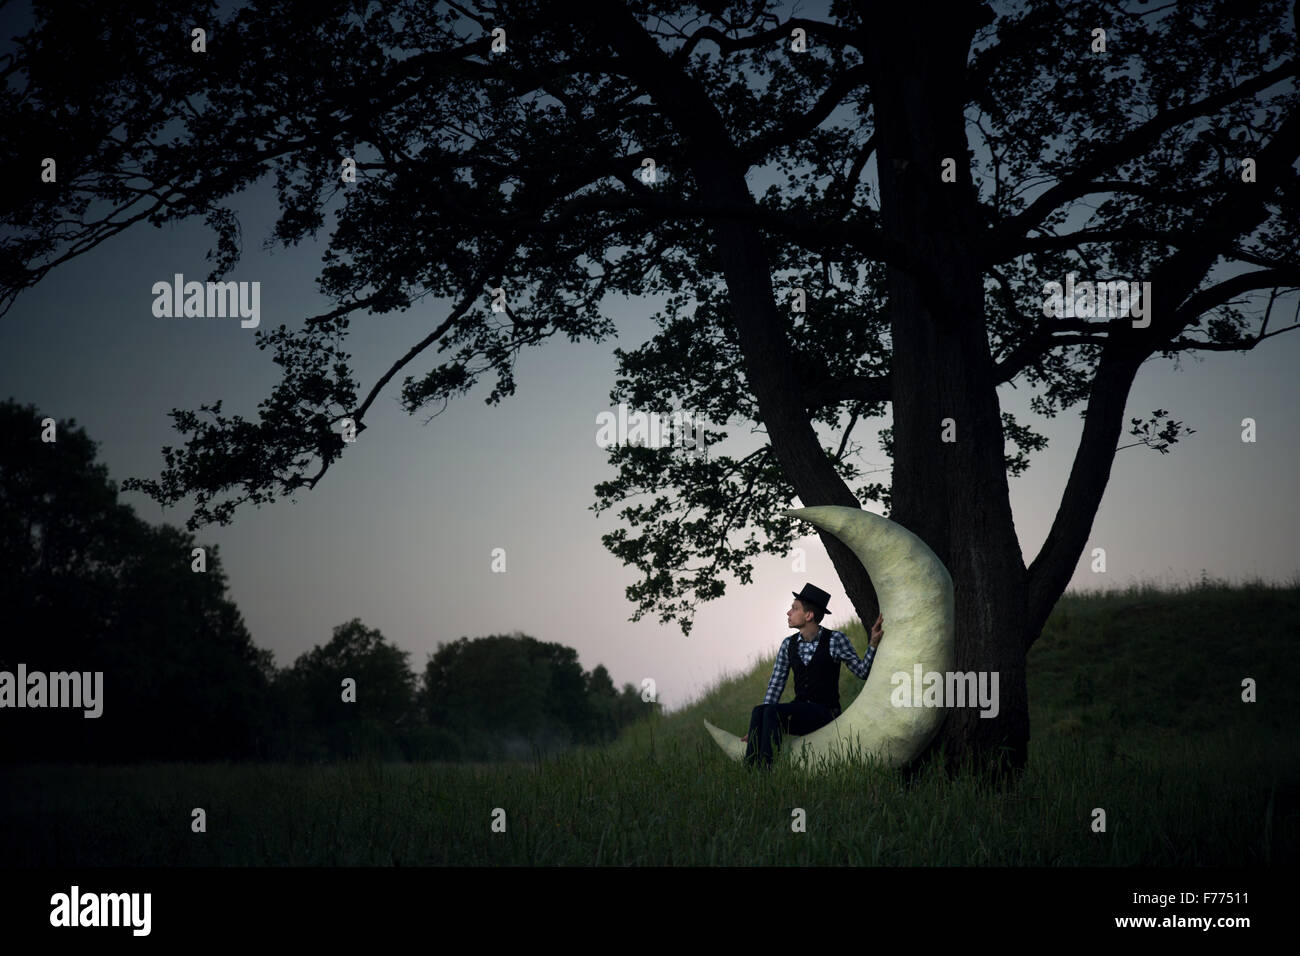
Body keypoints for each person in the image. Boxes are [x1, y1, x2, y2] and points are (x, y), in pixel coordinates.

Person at [742, 583, 883, 768]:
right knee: (759, 711)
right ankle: (751, 771)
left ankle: (766, 770)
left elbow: (862, 671)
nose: (788, 613)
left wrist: (872, 643)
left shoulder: (835, 640)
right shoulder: (788, 645)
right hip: (801, 712)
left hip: (826, 713)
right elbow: (775, 686)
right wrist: (757, 727)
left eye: (794, 608)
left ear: (809, 615)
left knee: (771, 711)